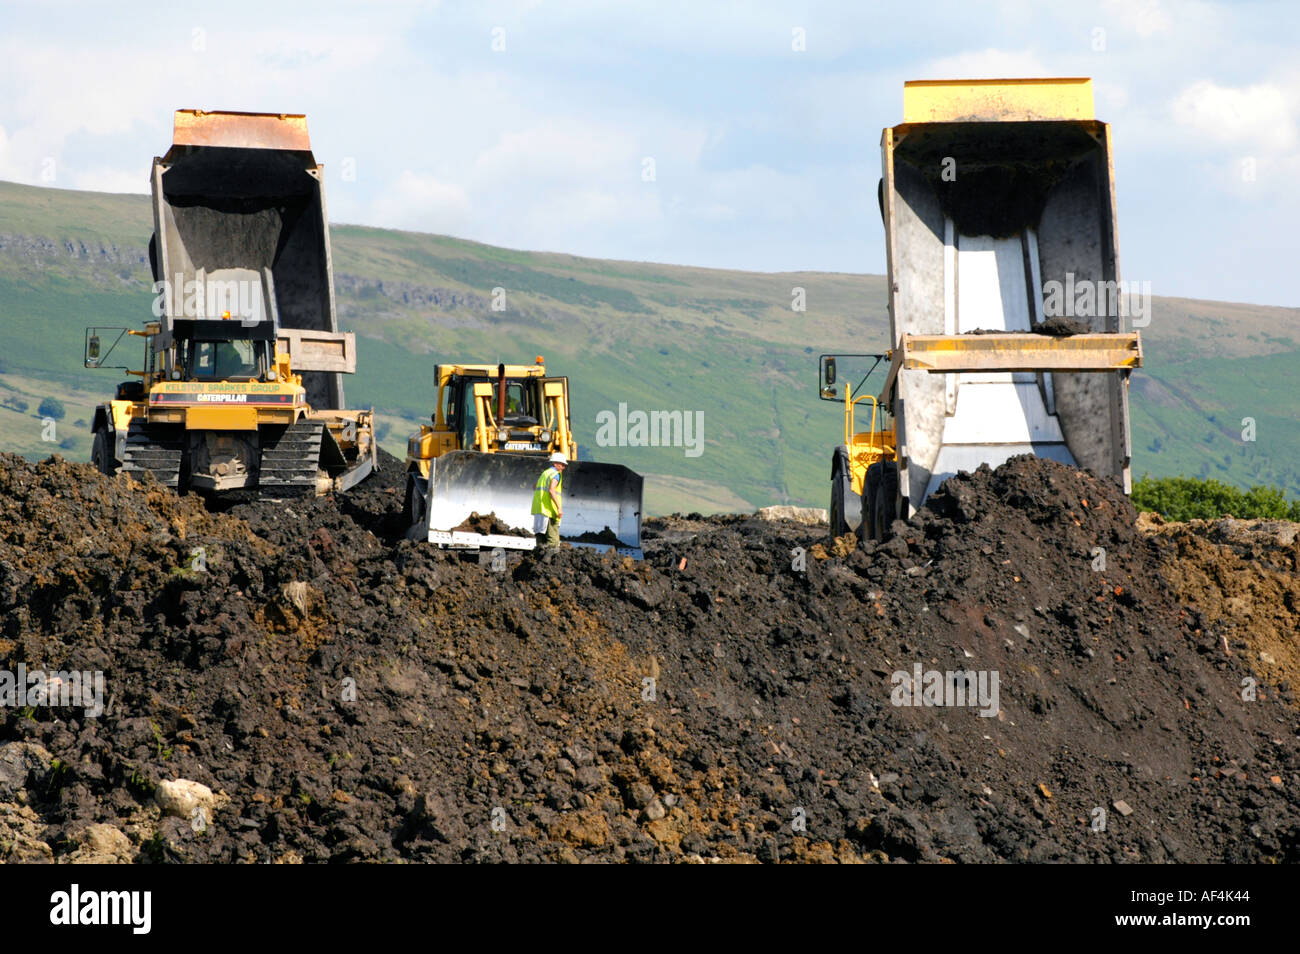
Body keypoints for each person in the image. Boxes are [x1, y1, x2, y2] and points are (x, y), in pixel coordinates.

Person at [531, 451, 566, 548]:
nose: (563, 467)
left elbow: (535, 487)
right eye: (562, 465)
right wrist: (559, 508)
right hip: (549, 510)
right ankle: (549, 561)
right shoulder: (556, 474)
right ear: (556, 464)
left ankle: (538, 559)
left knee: (540, 538)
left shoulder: (545, 473)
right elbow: (551, 490)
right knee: (553, 542)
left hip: (539, 509)